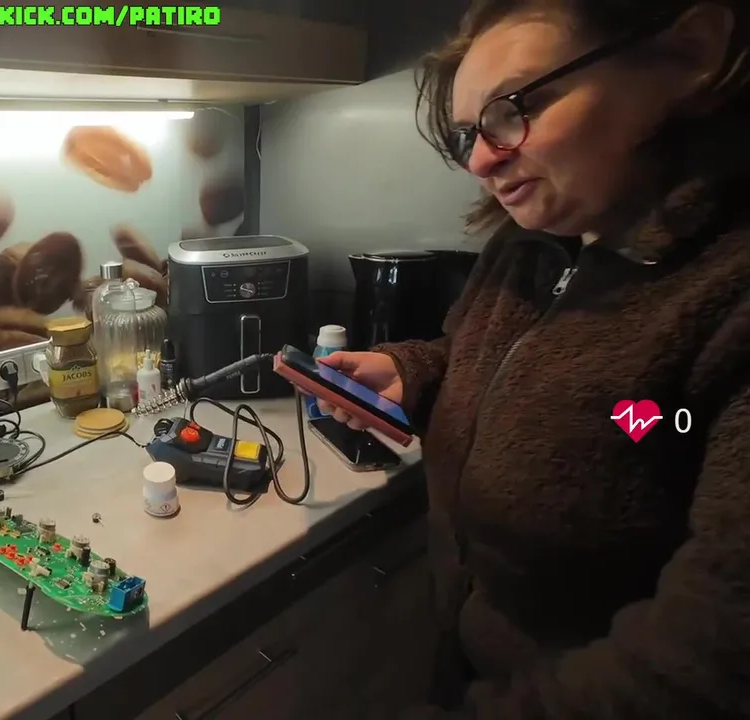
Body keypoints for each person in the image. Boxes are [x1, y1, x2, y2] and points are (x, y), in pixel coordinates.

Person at [314, 1, 750, 717]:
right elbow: (498, 360)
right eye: (468, 134)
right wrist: (415, 372)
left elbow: (713, 654)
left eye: (514, 108)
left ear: (691, 54)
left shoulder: (728, 292)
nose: (480, 160)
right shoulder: (533, 243)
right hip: (466, 658)